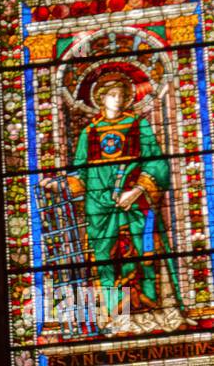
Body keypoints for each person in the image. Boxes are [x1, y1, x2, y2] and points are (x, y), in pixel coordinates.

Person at [51, 74, 183, 329]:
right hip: (99, 207)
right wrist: (60, 185)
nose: (118, 99)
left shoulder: (138, 126)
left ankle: (148, 309)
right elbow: (80, 172)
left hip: (134, 203)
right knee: (105, 257)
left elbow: (156, 162)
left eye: (122, 95)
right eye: (113, 95)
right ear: (100, 99)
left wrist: (136, 190)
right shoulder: (89, 133)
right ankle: (113, 316)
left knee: (142, 250)